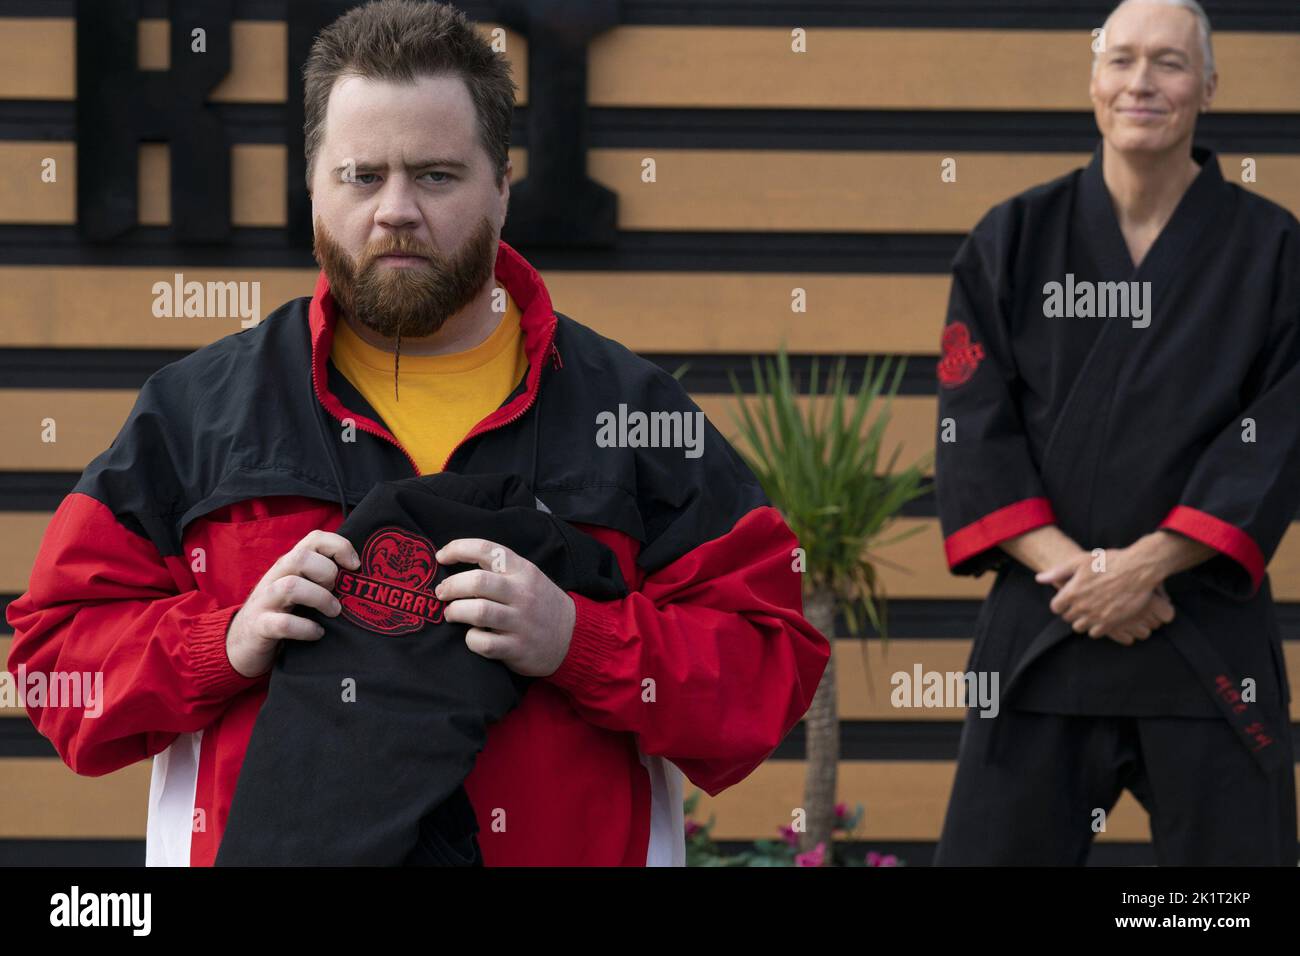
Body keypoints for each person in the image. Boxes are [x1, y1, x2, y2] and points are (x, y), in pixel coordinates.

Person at [5, 0, 830, 867]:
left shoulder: (633, 414)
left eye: (436, 175)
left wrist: (580, 641)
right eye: (364, 175)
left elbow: (770, 666)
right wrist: (224, 642)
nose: (396, 209)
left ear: (502, 187)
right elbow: (54, 665)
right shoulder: (196, 412)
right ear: (315, 185)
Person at [932, 0, 1300, 865]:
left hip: (1201, 620)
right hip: (1046, 619)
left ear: (1208, 86)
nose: (1143, 82)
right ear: (1094, 82)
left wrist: (1143, 569)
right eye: (1122, 60)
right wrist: (1087, 575)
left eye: (1169, 63)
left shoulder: (1273, 251)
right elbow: (974, 429)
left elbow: (1279, 436)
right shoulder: (1011, 239)